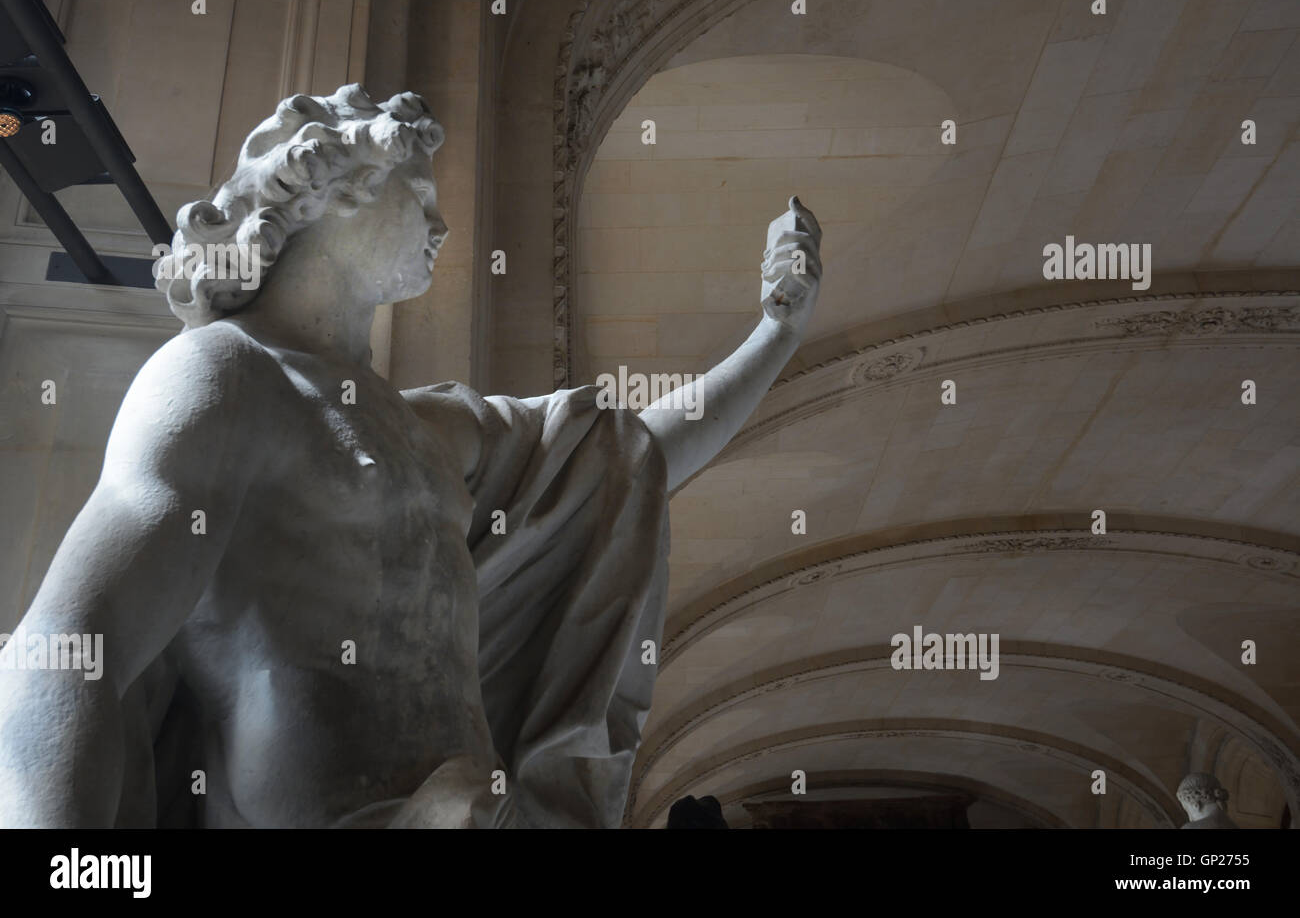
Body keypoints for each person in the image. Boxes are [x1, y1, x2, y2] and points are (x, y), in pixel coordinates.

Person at [0, 84, 822, 828]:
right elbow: (73, 643)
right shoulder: (222, 375)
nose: (440, 225)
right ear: (336, 192)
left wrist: (775, 336)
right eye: (419, 194)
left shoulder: (430, 432)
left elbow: (629, 456)